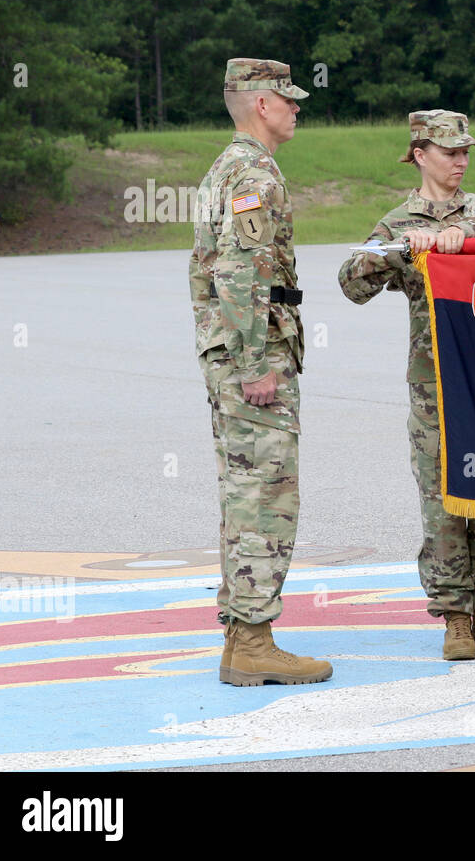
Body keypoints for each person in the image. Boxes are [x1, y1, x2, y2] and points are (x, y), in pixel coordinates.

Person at [338, 111, 475, 662]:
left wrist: (467, 237)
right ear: (419, 154)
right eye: (449, 153)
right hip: (435, 385)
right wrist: (402, 250)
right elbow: (352, 282)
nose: (461, 162)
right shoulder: (399, 220)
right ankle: (455, 617)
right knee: (443, 500)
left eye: (466, 153)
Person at [190, 58, 332, 686]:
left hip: (235, 352)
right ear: (261, 104)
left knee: (244, 491)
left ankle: (240, 636)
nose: (297, 108)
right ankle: (253, 639)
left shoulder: (232, 166)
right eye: (289, 99)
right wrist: (256, 364)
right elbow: (240, 273)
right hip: (252, 357)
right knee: (265, 497)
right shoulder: (252, 171)